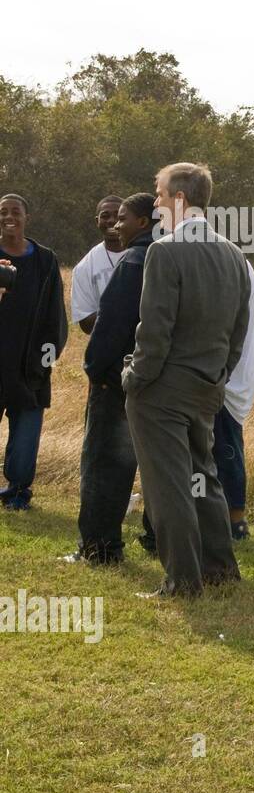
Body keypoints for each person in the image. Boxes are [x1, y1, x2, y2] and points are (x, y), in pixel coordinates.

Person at [123, 163, 251, 597]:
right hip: (207, 385)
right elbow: (238, 331)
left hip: (162, 388)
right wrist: (218, 375)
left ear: (179, 199)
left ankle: (182, 581)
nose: (155, 203)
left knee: (168, 487)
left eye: (158, 194)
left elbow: (154, 330)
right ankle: (219, 568)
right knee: (205, 478)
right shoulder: (234, 255)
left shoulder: (165, 251)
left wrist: (135, 377)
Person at [73, 194, 157, 563]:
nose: (115, 225)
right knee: (157, 466)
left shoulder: (133, 261)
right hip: (154, 380)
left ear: (142, 221)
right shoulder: (164, 257)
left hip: (115, 381)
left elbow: (110, 327)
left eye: (122, 218)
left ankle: (99, 549)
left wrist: (95, 369)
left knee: (104, 466)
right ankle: (160, 540)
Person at [0, 194, 68, 511]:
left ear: (27, 217)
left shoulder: (44, 259)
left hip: (30, 365)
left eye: (15, 211)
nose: (9, 216)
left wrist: (46, 362)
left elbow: (55, 316)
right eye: (3, 212)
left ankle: (17, 493)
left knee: (26, 433)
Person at [213, 258, 254, 541]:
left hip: (226, 369)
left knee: (226, 446)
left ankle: (235, 521)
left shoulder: (229, 264)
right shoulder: (238, 262)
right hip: (231, 366)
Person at [70, 195, 125, 334]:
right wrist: (124, 310)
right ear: (97, 221)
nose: (112, 221)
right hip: (107, 348)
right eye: (105, 216)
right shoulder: (84, 268)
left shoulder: (147, 254)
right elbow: (86, 323)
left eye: (119, 216)